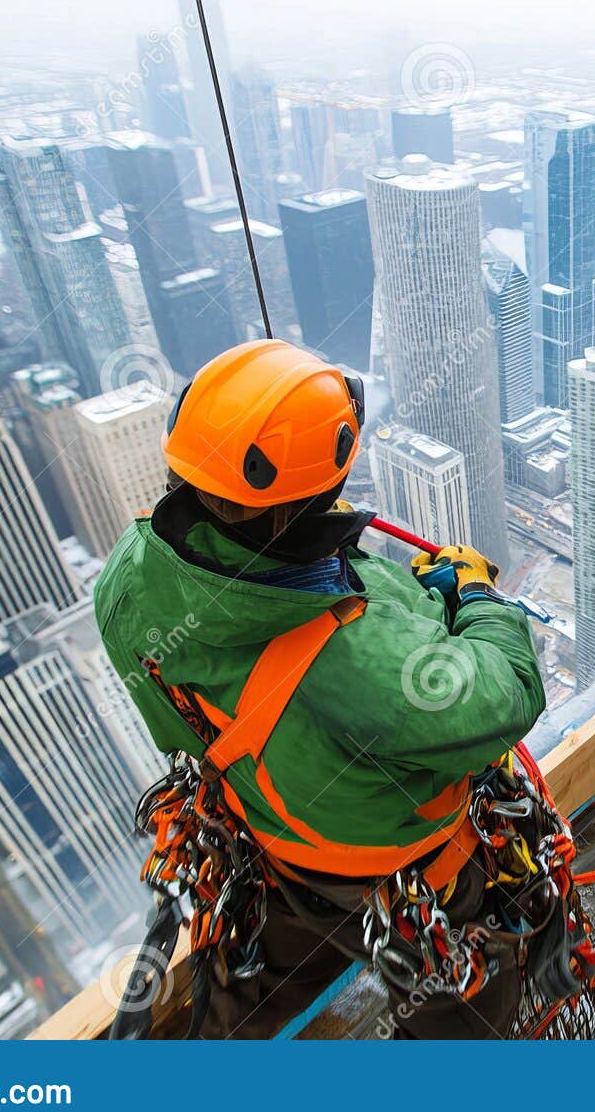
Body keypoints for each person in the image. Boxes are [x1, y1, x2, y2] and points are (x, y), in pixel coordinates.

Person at [95, 339, 545, 1038]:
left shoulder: (130, 577)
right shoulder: (359, 650)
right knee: (473, 1012)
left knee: (244, 1014)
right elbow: (507, 692)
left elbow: (176, 727)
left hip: (276, 851)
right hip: (410, 871)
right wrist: (478, 598)